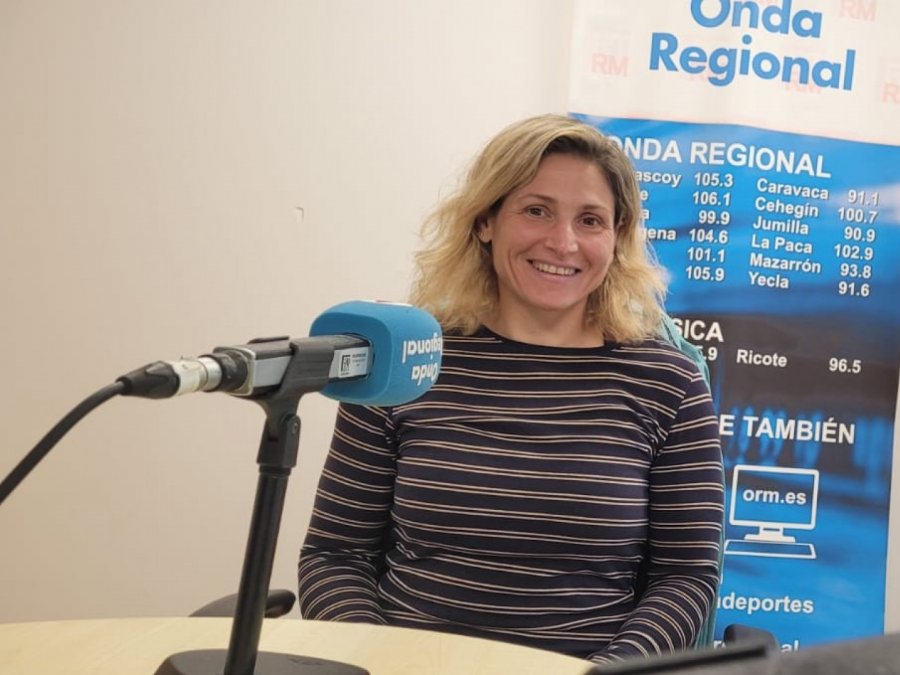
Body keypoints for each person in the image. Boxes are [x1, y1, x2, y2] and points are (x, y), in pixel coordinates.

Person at [297, 114, 724, 663]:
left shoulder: (669, 382)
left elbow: (685, 577)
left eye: (590, 220)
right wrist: (378, 663)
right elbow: (336, 555)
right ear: (485, 221)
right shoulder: (403, 363)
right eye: (536, 210)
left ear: (616, 239)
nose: (563, 242)